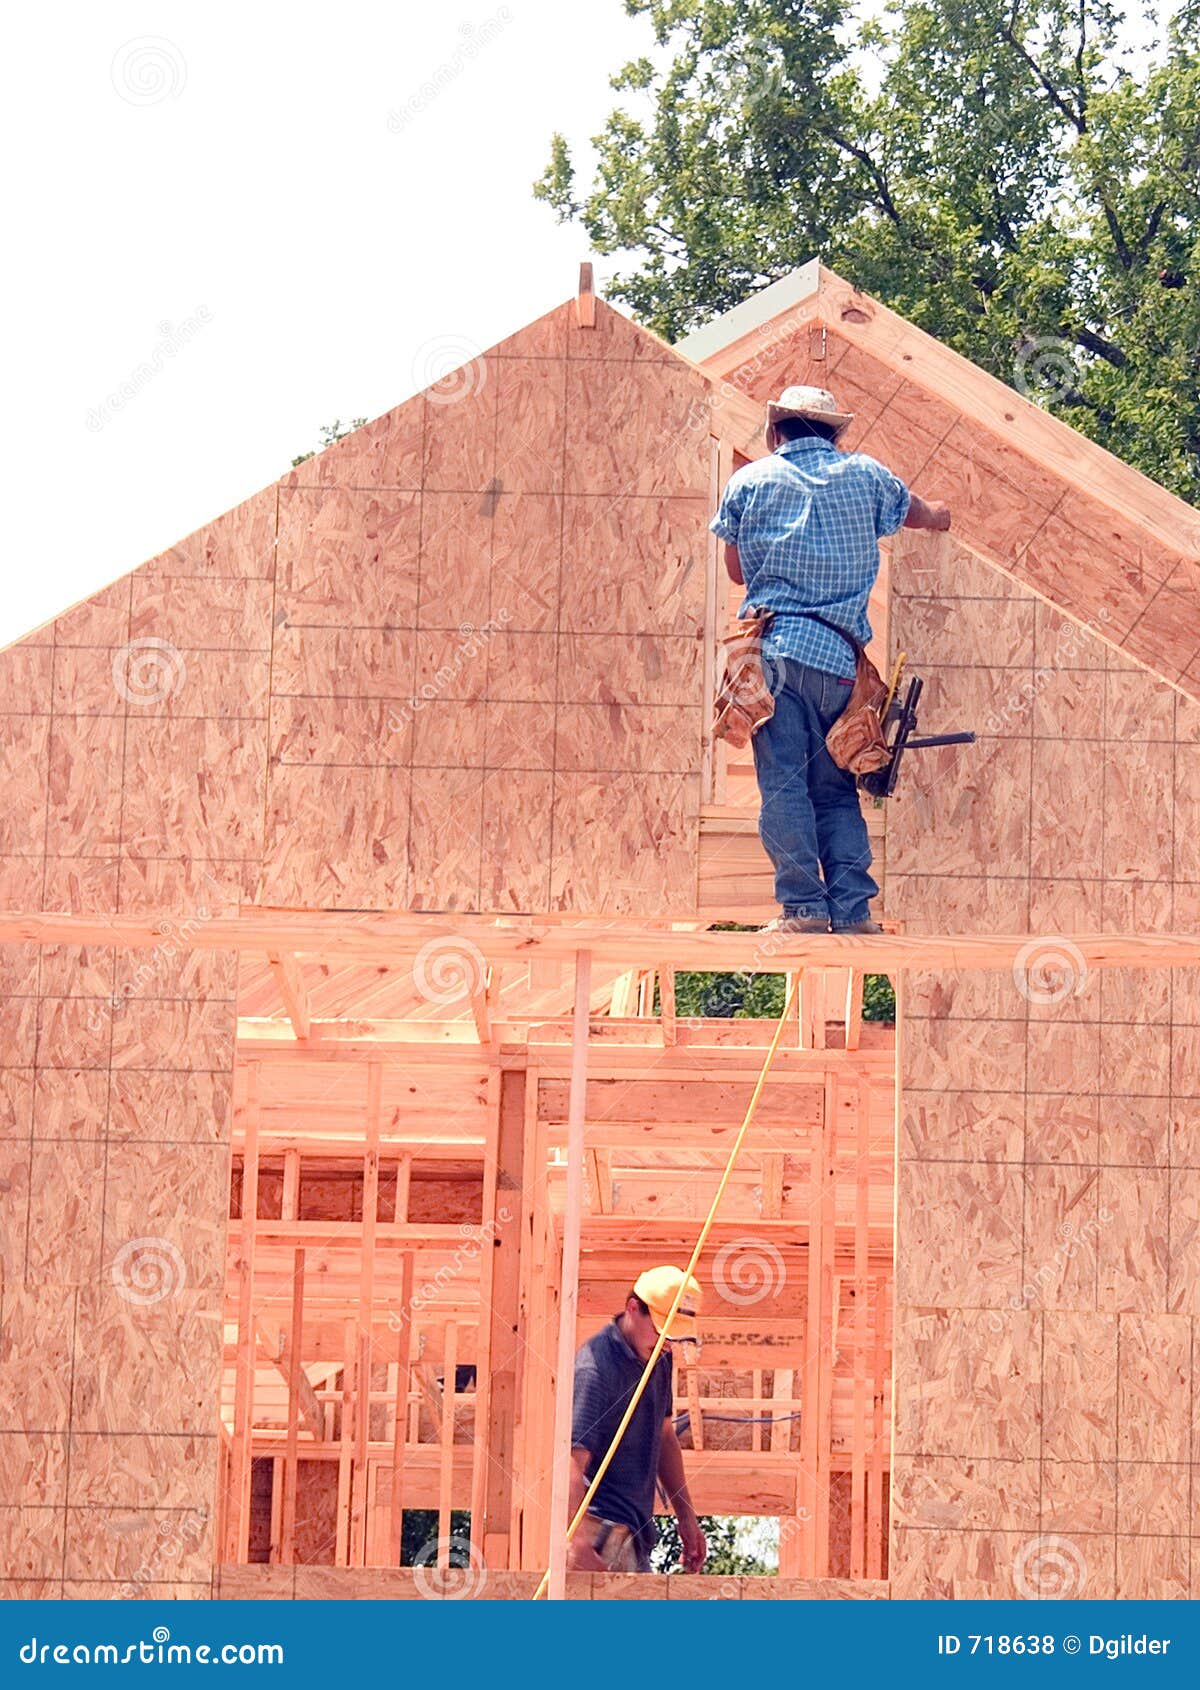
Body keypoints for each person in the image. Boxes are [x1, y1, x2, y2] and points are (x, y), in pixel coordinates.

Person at [711, 385, 951, 934]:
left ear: (776, 432)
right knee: (836, 790)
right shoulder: (866, 475)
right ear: (835, 435)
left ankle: (803, 909)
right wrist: (941, 516)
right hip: (842, 666)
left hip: (778, 657)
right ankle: (854, 912)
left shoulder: (749, 481)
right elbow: (914, 511)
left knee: (785, 786)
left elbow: (736, 572)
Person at [567, 1265, 706, 1573]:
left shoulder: (659, 1356)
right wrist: (576, 1542)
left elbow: (665, 1436)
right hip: (600, 1532)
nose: (666, 1342)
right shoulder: (595, 1368)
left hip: (634, 1533)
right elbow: (571, 1462)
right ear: (632, 1308)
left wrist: (686, 1516)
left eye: (673, 1334)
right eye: (660, 1329)